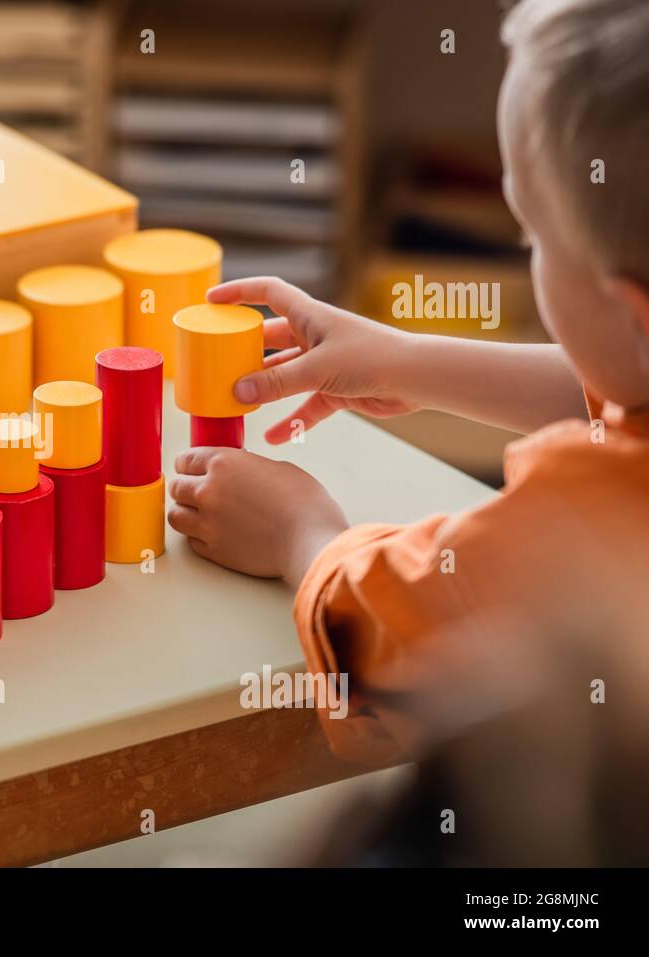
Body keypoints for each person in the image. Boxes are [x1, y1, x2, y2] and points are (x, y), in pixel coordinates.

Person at [166, 0, 649, 764]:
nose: (528, 252)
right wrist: (407, 359)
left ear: (631, 309)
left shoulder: (584, 522)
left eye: (532, 237)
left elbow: (397, 637)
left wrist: (300, 531)